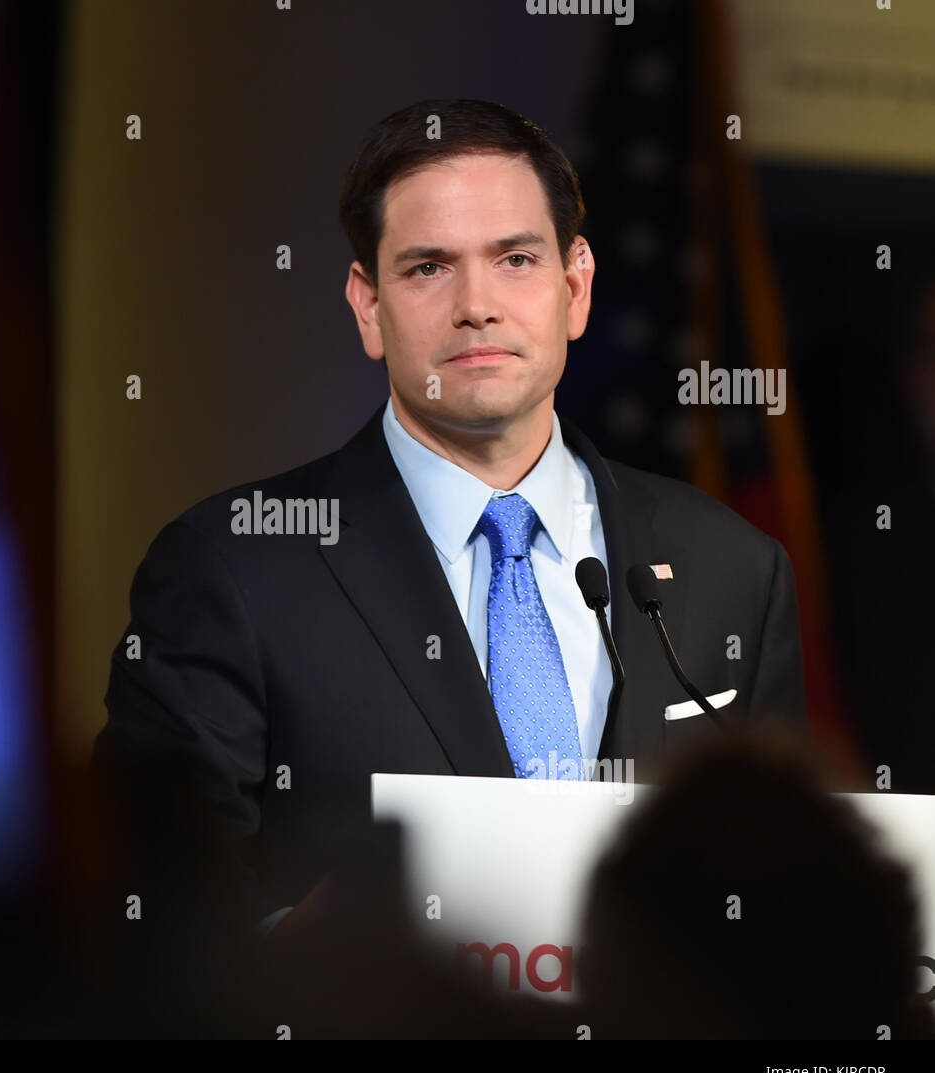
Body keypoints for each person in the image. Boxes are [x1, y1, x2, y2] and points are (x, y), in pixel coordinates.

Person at [93, 98, 807, 935]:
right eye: (429, 266)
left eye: (514, 259)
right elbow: (148, 915)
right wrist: (307, 954)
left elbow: (793, 895)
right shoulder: (232, 570)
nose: (477, 304)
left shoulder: (733, 568)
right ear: (368, 306)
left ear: (575, 287)